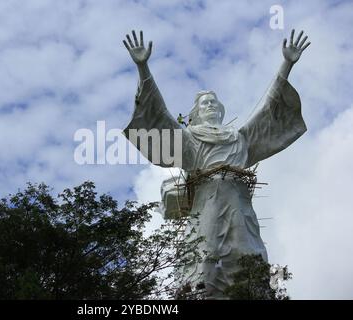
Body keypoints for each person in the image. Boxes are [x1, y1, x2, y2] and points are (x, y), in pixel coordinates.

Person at [122, 30, 310, 298]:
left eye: (213, 102)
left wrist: (287, 64)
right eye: (204, 103)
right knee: (203, 261)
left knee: (250, 262)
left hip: (239, 207)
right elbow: (159, 114)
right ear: (197, 113)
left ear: (219, 110)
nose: (210, 105)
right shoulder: (189, 140)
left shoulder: (241, 138)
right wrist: (143, 68)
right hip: (207, 204)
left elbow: (269, 106)